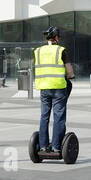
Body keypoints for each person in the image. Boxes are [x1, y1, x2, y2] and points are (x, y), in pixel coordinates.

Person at [34, 25, 74, 154]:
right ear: (56, 37)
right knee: (59, 116)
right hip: (58, 87)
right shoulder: (61, 51)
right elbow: (69, 70)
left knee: (44, 116)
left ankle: (43, 146)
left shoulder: (38, 51)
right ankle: (56, 146)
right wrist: (71, 76)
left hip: (44, 88)